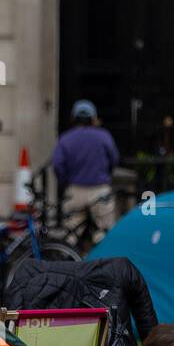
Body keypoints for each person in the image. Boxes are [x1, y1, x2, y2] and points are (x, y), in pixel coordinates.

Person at [50, 99, 119, 241]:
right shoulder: (103, 136)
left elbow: (57, 165)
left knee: (70, 235)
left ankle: (69, 260)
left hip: (75, 190)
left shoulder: (65, 139)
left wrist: (65, 181)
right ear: (93, 118)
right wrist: (106, 174)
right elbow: (114, 159)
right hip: (100, 190)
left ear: (73, 118)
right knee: (104, 235)